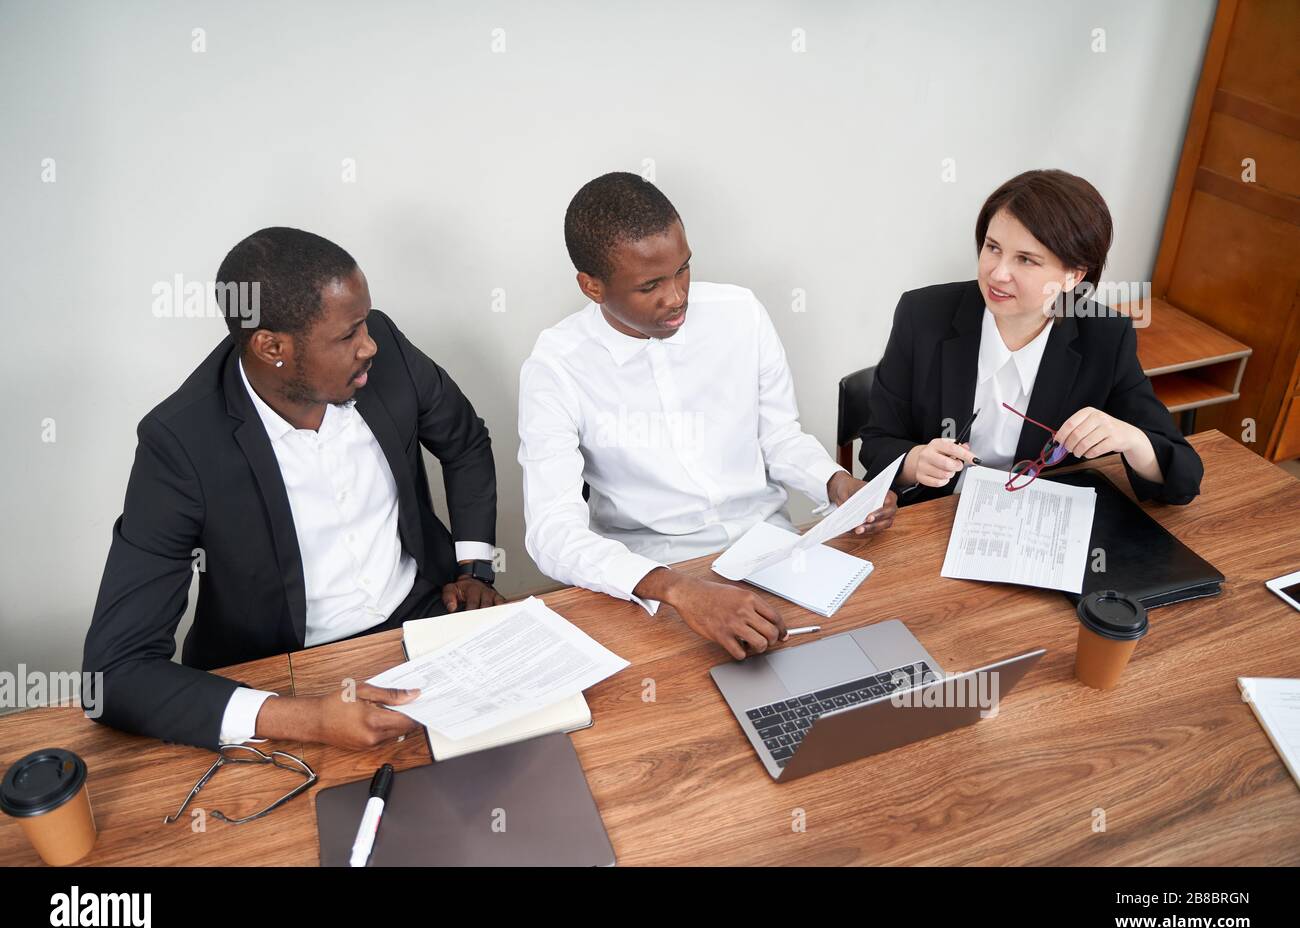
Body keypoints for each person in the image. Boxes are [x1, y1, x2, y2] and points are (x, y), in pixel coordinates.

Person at [83, 227, 502, 751]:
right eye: (348, 334)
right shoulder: (180, 445)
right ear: (272, 346)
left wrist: (474, 565)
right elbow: (113, 674)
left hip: (424, 625)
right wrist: (306, 720)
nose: (368, 344)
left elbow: (465, 442)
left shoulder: (385, 348)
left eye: (366, 323)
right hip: (280, 677)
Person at [519, 172, 897, 662]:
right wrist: (680, 590)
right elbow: (552, 532)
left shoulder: (740, 312)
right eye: (650, 285)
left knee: (869, 659)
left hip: (772, 551)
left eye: (683, 269)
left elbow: (779, 437)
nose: (676, 296)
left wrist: (835, 483)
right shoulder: (556, 366)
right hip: (653, 577)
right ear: (591, 286)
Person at [858, 168, 1202, 505]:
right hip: (932, 518)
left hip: (1039, 526)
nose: (998, 273)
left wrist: (1132, 439)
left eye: (1025, 259)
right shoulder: (923, 314)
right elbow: (876, 443)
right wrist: (915, 461)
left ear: (1073, 275)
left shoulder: (1105, 337)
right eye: (993, 247)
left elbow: (1183, 479)